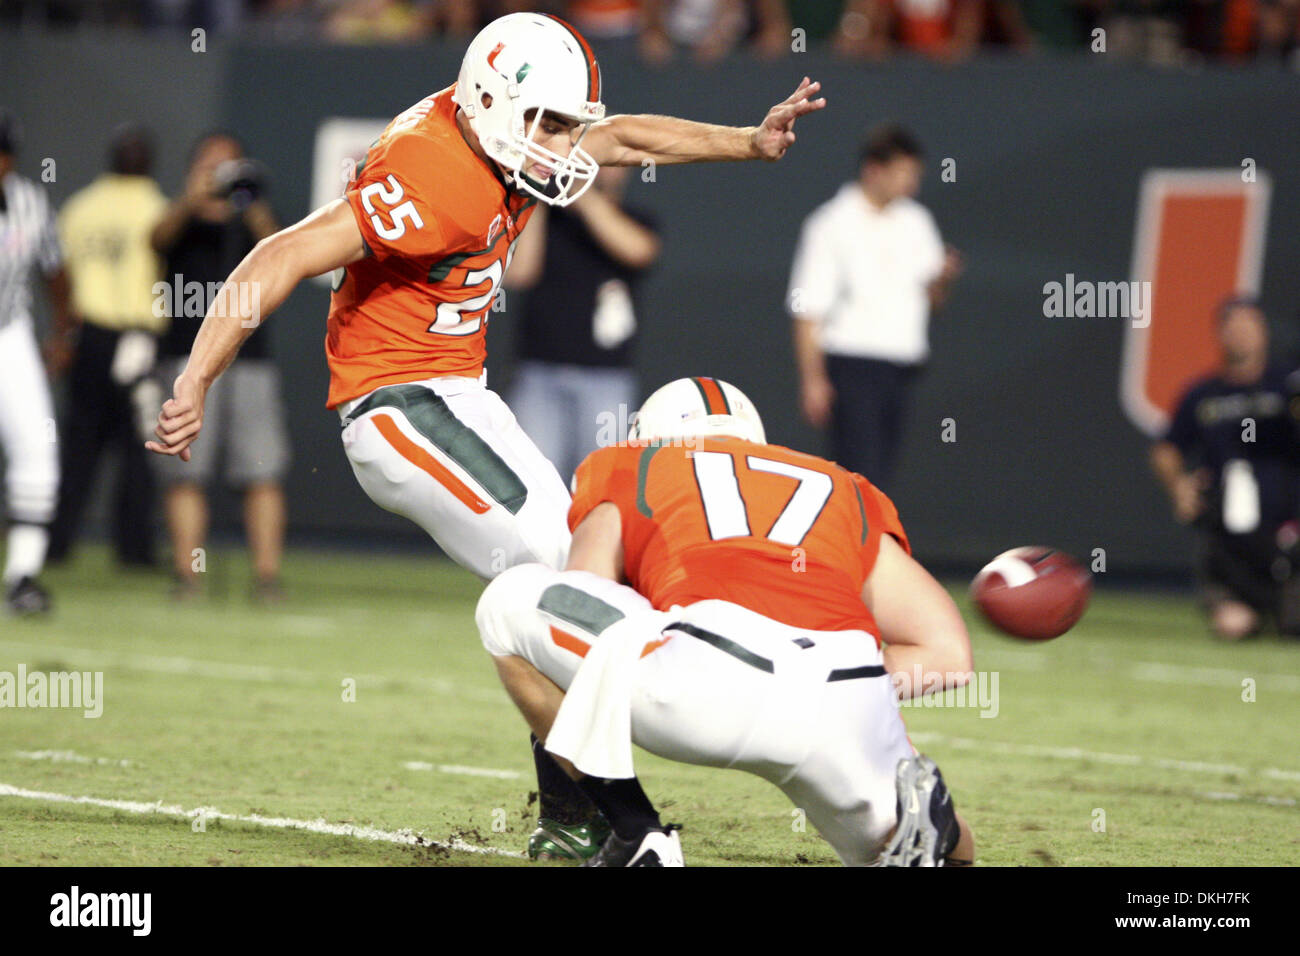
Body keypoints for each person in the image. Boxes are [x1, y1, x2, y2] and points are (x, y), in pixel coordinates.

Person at [145, 11, 825, 859]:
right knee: (569, 587)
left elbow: (618, 136)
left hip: (459, 394)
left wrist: (746, 142)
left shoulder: (503, 129)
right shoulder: (434, 174)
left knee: (568, 578)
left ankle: (574, 817)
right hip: (398, 406)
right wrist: (197, 375)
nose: (566, 145)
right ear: (496, 105)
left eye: (566, 123)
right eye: (550, 124)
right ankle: (624, 827)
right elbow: (278, 255)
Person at [475, 376, 976, 865]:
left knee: (510, 598)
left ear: (647, 435)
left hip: (710, 671)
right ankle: (938, 826)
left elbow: (585, 589)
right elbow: (948, 656)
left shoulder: (632, 462)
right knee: (918, 836)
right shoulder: (848, 488)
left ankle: (634, 831)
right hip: (848, 693)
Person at [150, 131, 287, 602]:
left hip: (249, 360)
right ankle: (188, 576)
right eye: (211, 165)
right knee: (186, 471)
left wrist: (247, 202)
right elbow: (157, 238)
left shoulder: (253, 219)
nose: (221, 175)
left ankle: (267, 578)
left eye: (230, 165)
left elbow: (283, 251)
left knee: (262, 468)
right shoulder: (182, 218)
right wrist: (194, 198)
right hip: (186, 357)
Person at [788, 122, 961, 492]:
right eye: (903, 174)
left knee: (881, 479)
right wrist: (813, 380)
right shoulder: (829, 224)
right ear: (873, 170)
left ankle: (870, 548)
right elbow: (808, 309)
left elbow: (934, 303)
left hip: (901, 369)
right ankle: (856, 550)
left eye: (914, 175)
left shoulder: (917, 222)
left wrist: (942, 280)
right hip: (852, 368)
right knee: (860, 479)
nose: (911, 184)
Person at [47, 124, 169, 570]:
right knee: (139, 446)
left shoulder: (80, 207)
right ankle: (133, 549)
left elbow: (58, 272)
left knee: (80, 443)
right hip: (137, 337)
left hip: (89, 336)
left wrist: (65, 331)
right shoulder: (158, 209)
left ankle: (56, 542)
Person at [1150, 296, 1300, 640]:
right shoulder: (1204, 394)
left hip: (1287, 532)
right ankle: (1244, 604)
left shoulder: (1287, 385)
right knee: (1233, 627)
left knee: (1294, 627)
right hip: (1230, 538)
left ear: (1263, 332)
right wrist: (1179, 487)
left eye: (1249, 326)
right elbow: (1167, 448)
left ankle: (1283, 607)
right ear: (1219, 335)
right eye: (1233, 328)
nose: (1242, 335)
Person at [504, 164, 659, 484]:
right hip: (539, 375)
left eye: (611, 160)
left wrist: (581, 194)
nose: (602, 169)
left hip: (607, 380)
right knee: (530, 483)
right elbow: (520, 273)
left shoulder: (637, 219)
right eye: (592, 160)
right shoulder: (549, 220)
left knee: (605, 487)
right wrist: (541, 194)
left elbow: (640, 251)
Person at [0, 108, 72, 615]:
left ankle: (22, 575)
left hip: (10, 332)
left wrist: (64, 329)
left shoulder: (28, 199)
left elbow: (54, 268)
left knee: (38, 447)